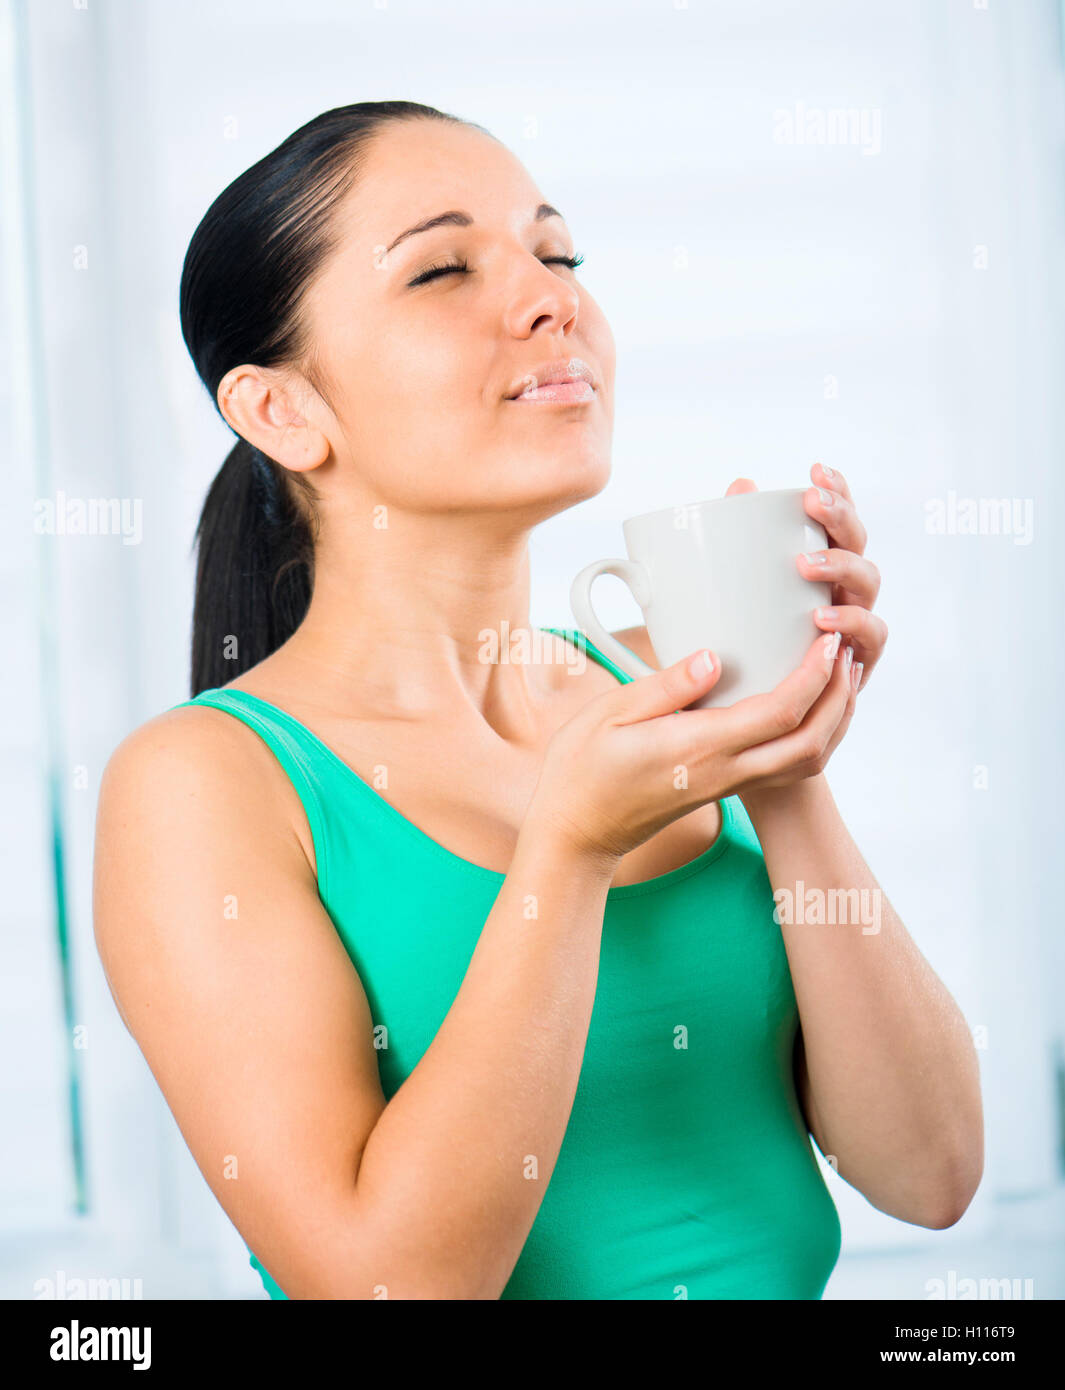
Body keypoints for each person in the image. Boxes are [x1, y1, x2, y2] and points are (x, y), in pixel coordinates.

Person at [92, 100, 980, 1300]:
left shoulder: (654, 688)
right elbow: (384, 1288)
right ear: (281, 411)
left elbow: (930, 1174)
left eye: (558, 254)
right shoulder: (200, 788)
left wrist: (784, 772)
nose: (553, 298)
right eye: (444, 269)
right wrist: (563, 856)